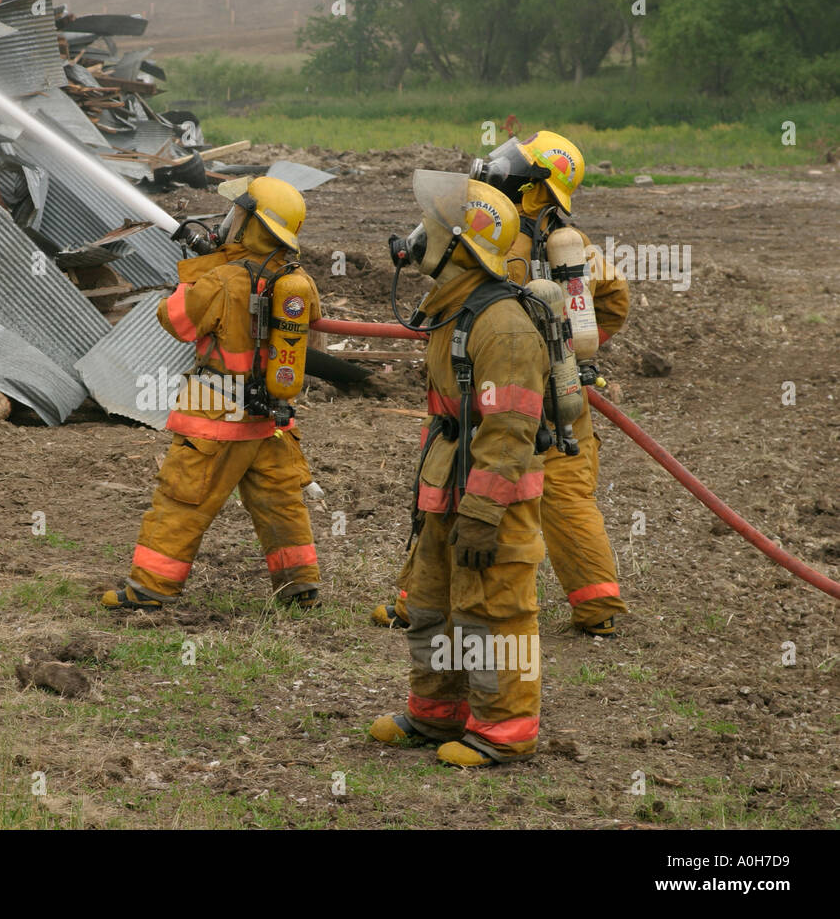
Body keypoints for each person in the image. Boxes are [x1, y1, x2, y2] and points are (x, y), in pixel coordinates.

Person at [372, 131, 630, 637]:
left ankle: (412, 603)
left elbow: (445, 293)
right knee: (569, 497)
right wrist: (571, 351)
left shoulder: (489, 239)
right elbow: (616, 299)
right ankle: (598, 605)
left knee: (449, 489)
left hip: (491, 395)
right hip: (561, 390)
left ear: (534, 184)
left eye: (514, 163)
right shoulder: (573, 248)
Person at [369, 171, 548, 767]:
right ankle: (436, 712)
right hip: (447, 484)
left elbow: (510, 429)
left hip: (489, 497)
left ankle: (505, 729)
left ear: (463, 245)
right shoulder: (453, 311)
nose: (418, 238)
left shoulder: (503, 325)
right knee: (432, 603)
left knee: (492, 611)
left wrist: (482, 511)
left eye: (433, 230)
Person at [101, 177, 322, 612]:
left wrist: (202, 271)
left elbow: (176, 320)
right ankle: (300, 585)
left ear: (253, 225)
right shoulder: (298, 282)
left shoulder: (221, 280)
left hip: (213, 412)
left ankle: (150, 587)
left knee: (183, 497)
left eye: (237, 216)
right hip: (272, 416)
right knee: (280, 501)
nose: (228, 221)